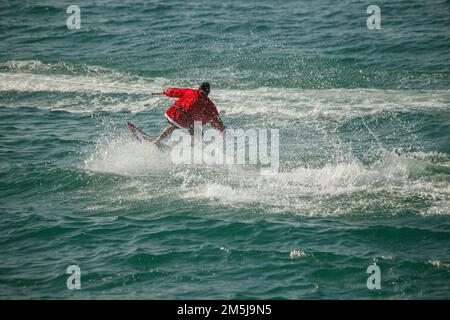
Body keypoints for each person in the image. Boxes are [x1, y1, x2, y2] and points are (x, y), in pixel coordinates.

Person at [151, 82, 225, 145]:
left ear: (199, 88)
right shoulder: (209, 104)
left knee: (173, 125)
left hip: (172, 113)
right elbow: (215, 118)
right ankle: (190, 149)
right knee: (198, 132)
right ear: (208, 92)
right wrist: (222, 131)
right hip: (185, 121)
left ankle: (158, 140)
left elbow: (173, 91)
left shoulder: (190, 91)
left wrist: (164, 91)